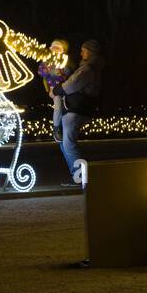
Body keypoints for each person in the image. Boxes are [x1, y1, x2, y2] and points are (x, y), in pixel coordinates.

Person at [53, 39, 104, 185]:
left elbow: (71, 84)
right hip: (79, 110)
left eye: (84, 50)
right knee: (65, 143)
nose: (81, 52)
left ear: (90, 52)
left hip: (75, 110)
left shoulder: (87, 69)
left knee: (69, 144)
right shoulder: (92, 68)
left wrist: (58, 88)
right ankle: (78, 176)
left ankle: (81, 178)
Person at [37, 39, 73, 144]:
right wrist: (48, 70)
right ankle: (56, 129)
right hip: (54, 89)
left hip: (65, 88)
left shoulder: (64, 60)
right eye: (54, 48)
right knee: (58, 107)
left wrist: (62, 71)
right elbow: (41, 72)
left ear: (62, 51)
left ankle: (65, 129)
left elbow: (69, 72)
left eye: (58, 48)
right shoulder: (47, 60)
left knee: (65, 108)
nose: (55, 50)